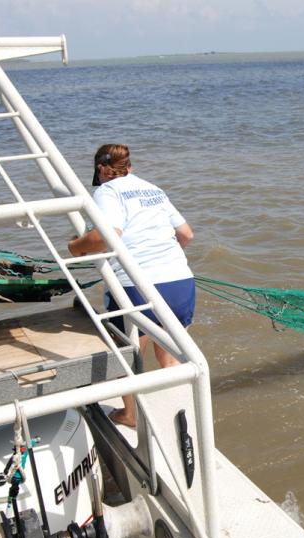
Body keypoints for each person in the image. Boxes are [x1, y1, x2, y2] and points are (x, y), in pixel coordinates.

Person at [68, 143, 194, 427]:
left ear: (101, 169)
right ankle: (179, 412)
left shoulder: (106, 191)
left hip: (136, 287)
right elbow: (186, 234)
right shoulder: (153, 189)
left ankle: (130, 415)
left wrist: (75, 247)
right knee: (170, 356)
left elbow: (106, 235)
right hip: (180, 281)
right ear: (130, 168)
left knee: (128, 356)